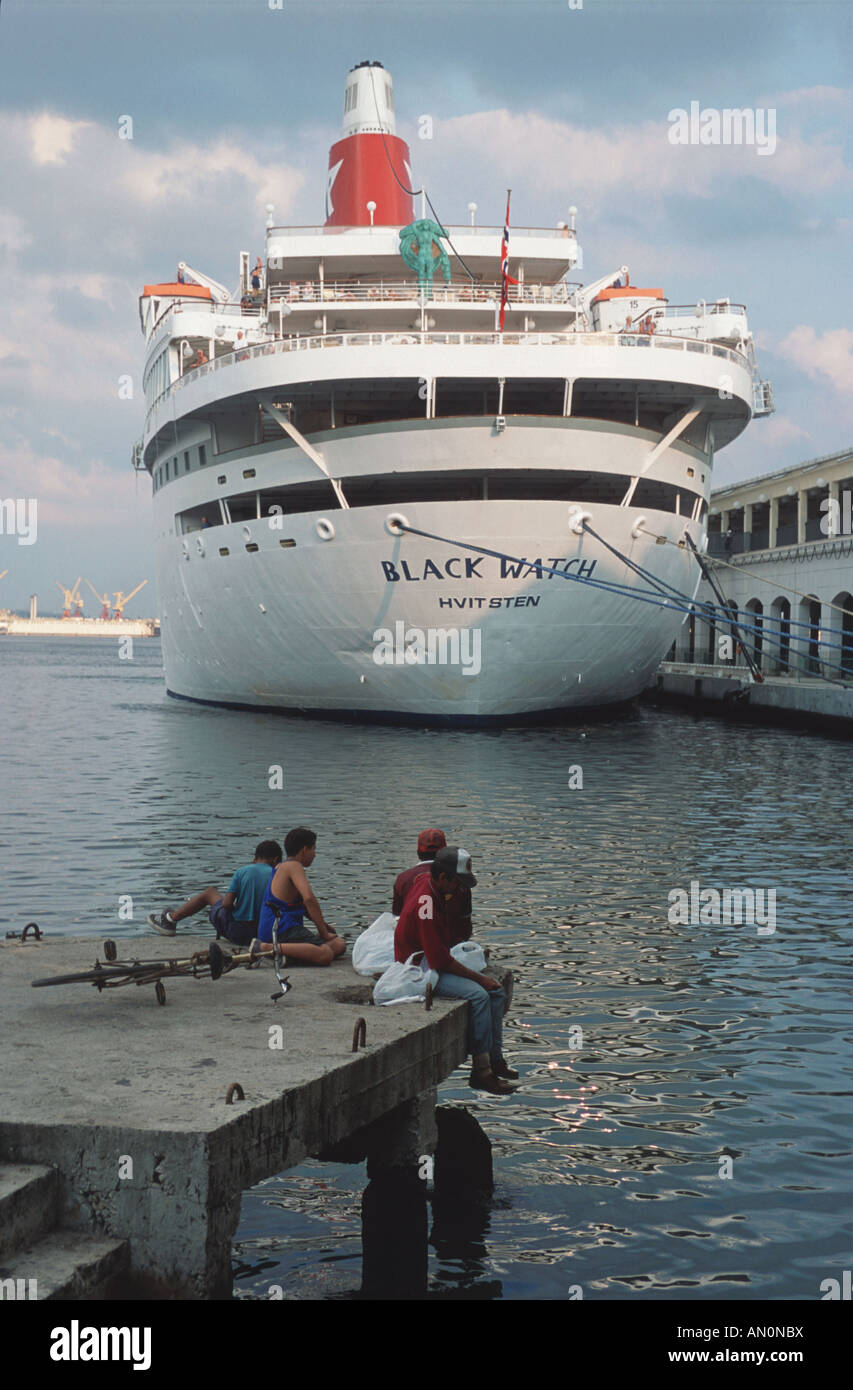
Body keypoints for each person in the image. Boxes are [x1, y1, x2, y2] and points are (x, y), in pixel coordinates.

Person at [394, 847, 518, 1095]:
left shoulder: (436, 891)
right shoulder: (426, 903)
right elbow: (438, 960)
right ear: (442, 878)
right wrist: (479, 979)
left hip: (433, 959)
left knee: (497, 994)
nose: (460, 889)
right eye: (457, 883)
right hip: (419, 969)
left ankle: (496, 1059)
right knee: (481, 995)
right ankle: (481, 1072)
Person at [146, 841, 282, 945]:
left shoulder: (243, 871)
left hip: (239, 933)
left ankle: (170, 919)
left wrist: (239, 908)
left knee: (210, 893)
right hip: (269, 934)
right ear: (276, 860)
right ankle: (170, 918)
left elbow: (227, 903)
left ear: (255, 859)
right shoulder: (280, 875)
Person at [256, 826, 346, 966]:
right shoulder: (294, 866)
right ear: (304, 850)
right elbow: (309, 899)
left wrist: (324, 925)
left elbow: (303, 906)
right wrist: (323, 933)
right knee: (326, 954)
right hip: (281, 929)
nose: (315, 854)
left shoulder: (282, 866)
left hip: (282, 929)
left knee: (339, 944)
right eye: (313, 849)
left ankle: (285, 957)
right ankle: (265, 948)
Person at [392, 828, 472, 944]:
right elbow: (465, 928)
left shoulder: (403, 879)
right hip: (448, 947)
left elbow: (396, 921)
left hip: (415, 947)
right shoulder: (458, 878)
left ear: (418, 852)